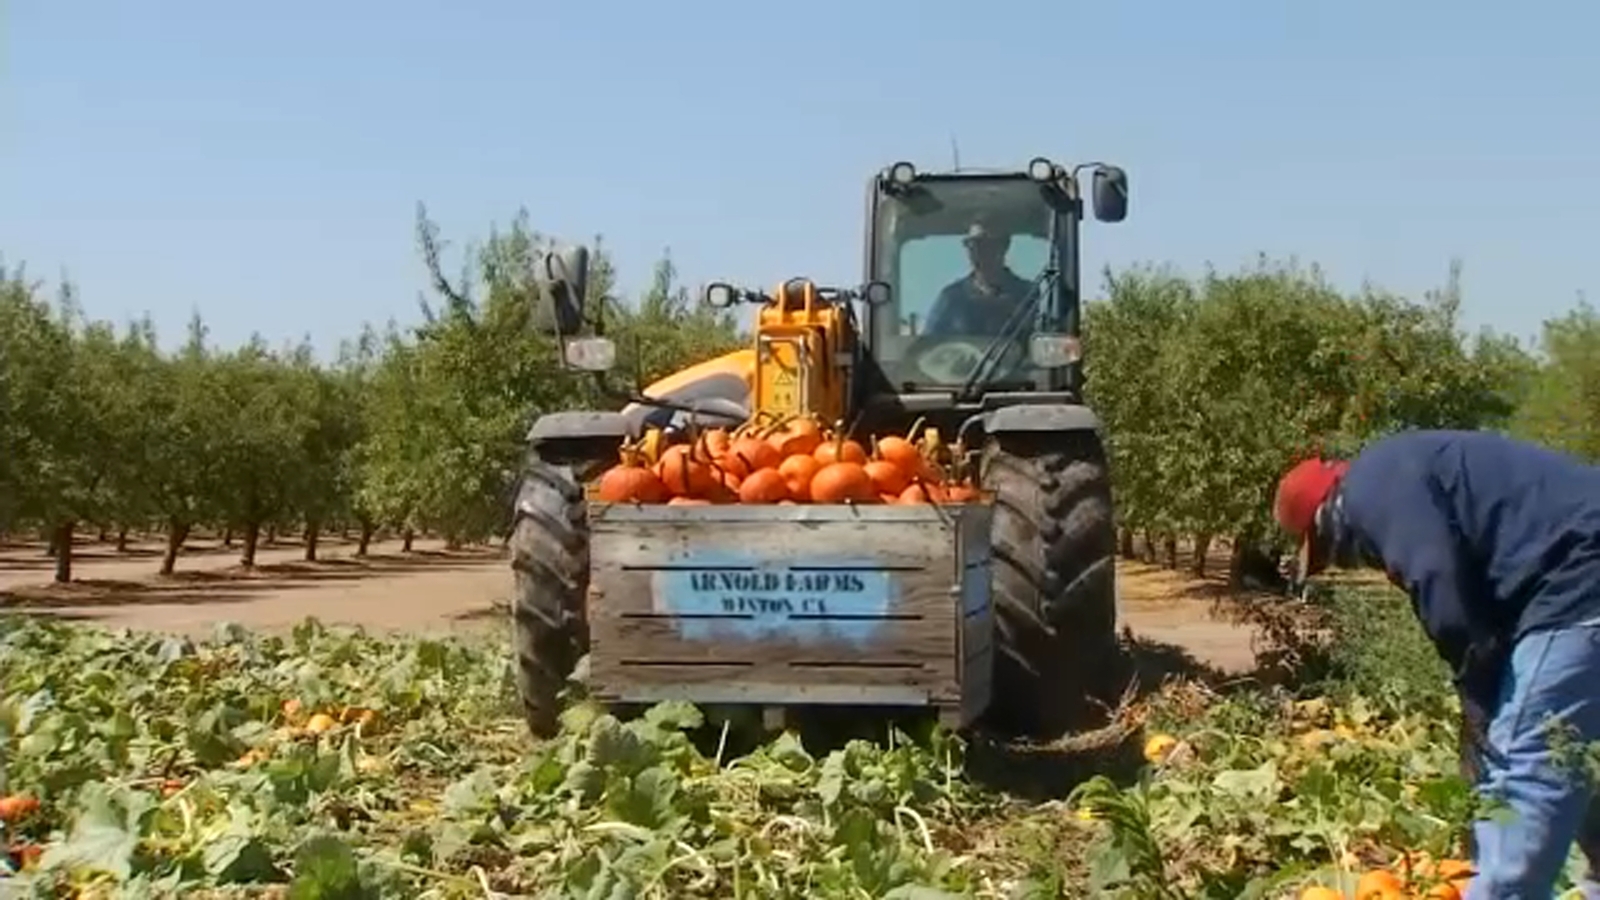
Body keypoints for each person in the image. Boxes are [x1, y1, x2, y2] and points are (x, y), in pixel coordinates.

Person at [1273, 428, 1600, 898]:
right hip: (1578, 569)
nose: (1346, 561)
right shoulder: (1400, 470)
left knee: (1523, 765)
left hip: (1578, 581)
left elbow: (1440, 585)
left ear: (1328, 515)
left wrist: (1477, 693)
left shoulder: (1371, 488)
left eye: (1330, 550)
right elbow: (1478, 593)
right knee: (1575, 752)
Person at [922, 218, 1037, 336]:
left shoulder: (1028, 293)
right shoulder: (951, 298)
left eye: (985, 244)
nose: (977, 251)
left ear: (1004, 246)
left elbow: (1039, 336)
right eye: (971, 245)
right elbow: (929, 341)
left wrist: (1011, 311)